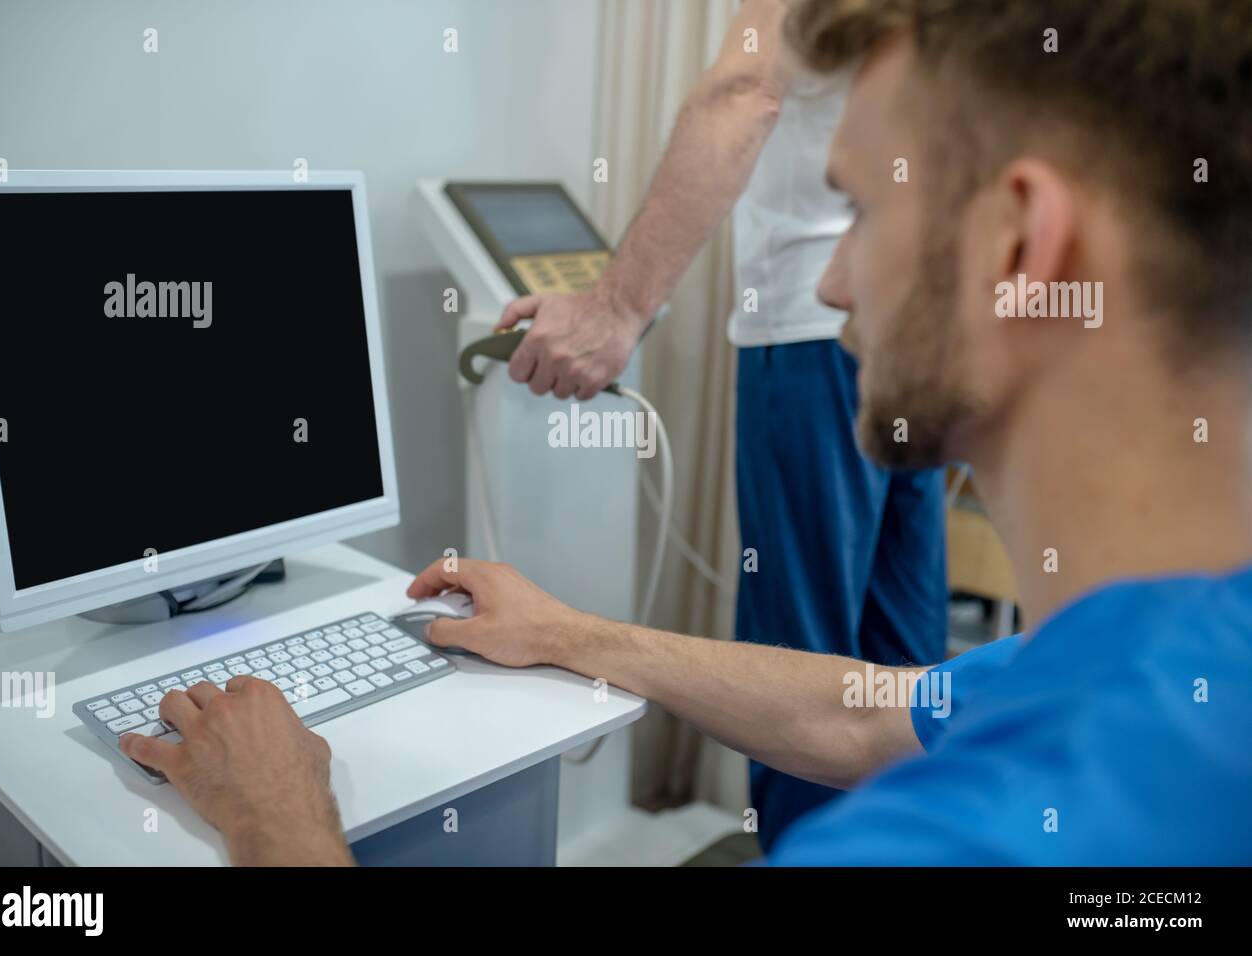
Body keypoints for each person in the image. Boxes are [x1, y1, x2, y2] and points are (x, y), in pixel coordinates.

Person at [121, 0, 1252, 864]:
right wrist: (578, 633)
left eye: (859, 210)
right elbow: (868, 714)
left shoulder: (957, 837)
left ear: (1018, 246)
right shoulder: (1164, 650)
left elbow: (743, 87)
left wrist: (278, 817)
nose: (842, 280)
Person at [494, 0, 946, 849]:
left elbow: (745, 86)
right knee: (907, 671)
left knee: (803, 665)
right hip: (917, 318)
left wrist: (617, 306)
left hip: (818, 329)